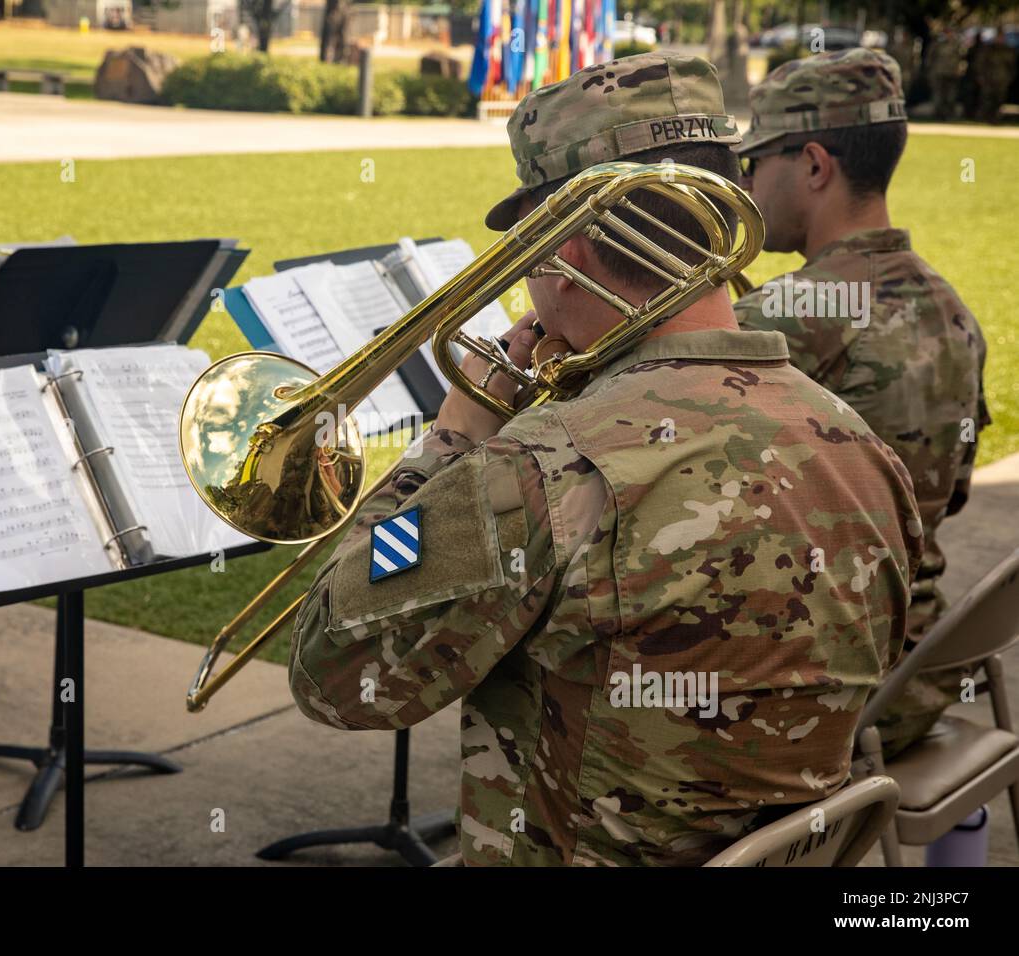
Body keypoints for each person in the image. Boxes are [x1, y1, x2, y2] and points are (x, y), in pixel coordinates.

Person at [285, 52, 923, 866]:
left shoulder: (534, 472)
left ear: (568, 250)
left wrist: (454, 434)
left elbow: (330, 672)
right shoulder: (861, 452)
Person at [733, 49, 988, 760]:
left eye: (754, 162)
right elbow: (951, 493)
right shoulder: (949, 304)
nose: (745, 182)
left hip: (831, 682)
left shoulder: (780, 318)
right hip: (920, 663)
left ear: (814, 164)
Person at [927, 32, 966, 121]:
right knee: (938, 96)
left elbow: (962, 59)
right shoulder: (938, 45)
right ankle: (938, 115)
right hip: (939, 73)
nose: (949, 35)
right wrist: (931, 72)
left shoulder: (957, 45)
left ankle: (949, 115)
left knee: (951, 96)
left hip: (952, 74)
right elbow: (930, 59)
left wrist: (959, 70)